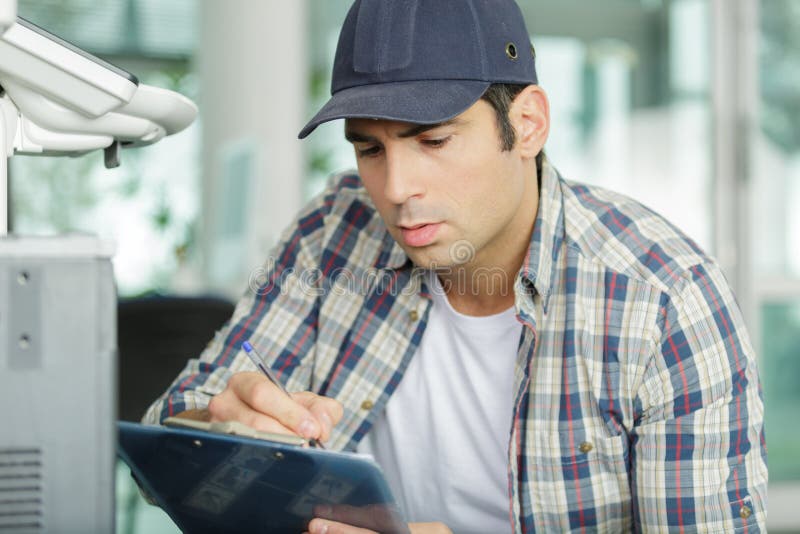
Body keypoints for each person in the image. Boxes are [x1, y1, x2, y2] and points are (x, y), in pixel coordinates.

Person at [143, 1, 768, 532]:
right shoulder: (332, 233)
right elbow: (167, 434)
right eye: (369, 147)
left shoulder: (664, 301)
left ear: (526, 125)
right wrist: (217, 424)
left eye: (433, 141)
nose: (395, 187)